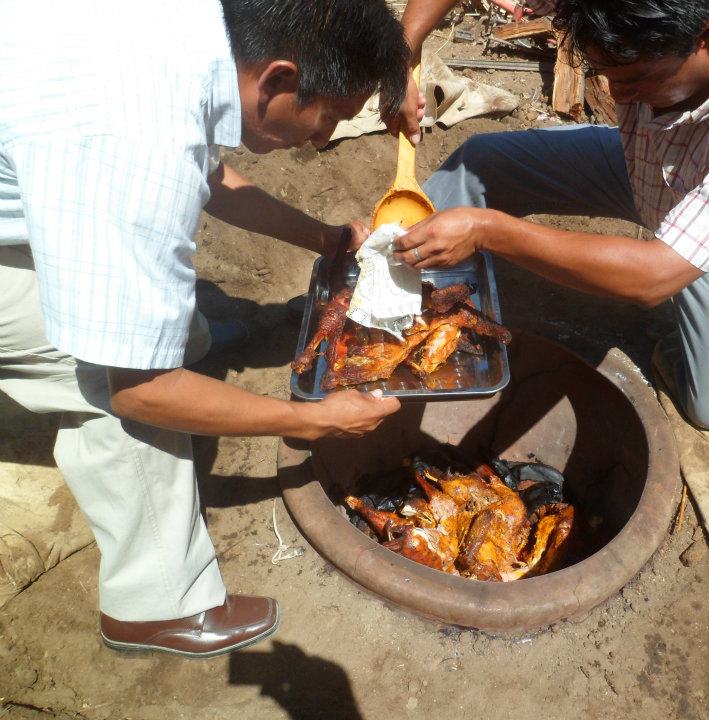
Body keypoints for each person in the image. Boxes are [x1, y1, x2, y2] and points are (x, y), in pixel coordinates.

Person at [0, 0, 408, 657]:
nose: (324, 139)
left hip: (35, 155)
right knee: (114, 376)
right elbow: (139, 386)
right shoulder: (133, 140)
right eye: (328, 116)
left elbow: (206, 171)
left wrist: (322, 238)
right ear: (276, 80)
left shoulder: (187, 31)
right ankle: (155, 605)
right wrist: (314, 421)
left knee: (167, 330)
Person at [383, 0, 709, 431]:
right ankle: (384, 295)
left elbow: (652, 278)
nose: (617, 95)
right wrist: (400, 59)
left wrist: (487, 230)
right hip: (637, 162)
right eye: (604, 72)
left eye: (637, 78)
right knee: (481, 164)